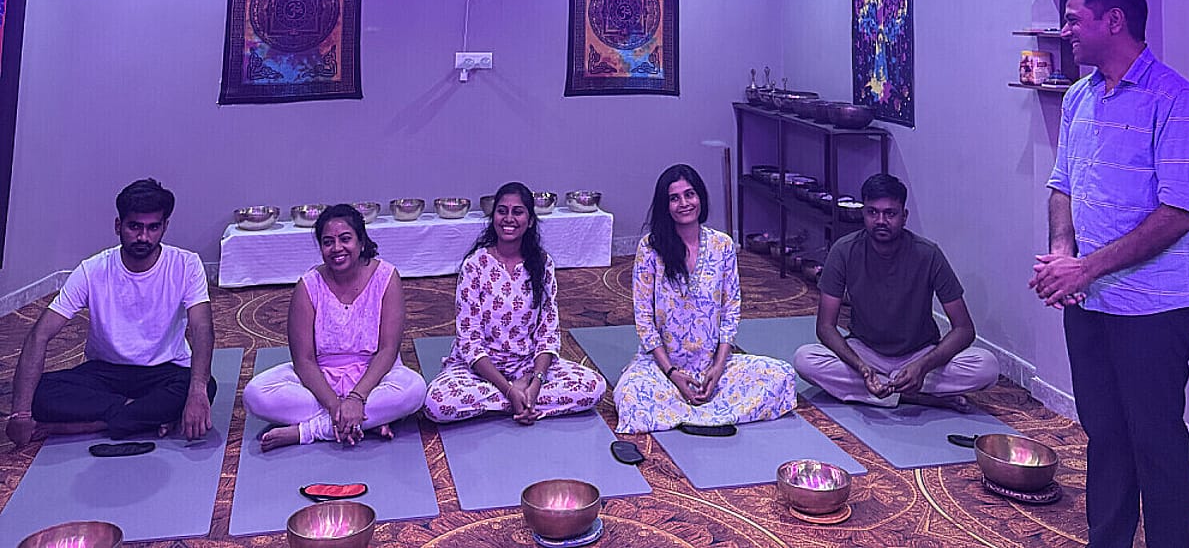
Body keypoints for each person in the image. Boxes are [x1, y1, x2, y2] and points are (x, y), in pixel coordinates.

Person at [1031, 0, 1189, 547]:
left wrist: (1086, 267)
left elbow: (1180, 212)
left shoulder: (1177, 100)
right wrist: (1061, 256)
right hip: (1089, 300)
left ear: (1115, 21)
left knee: (1155, 439)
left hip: (1154, 308)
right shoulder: (1078, 96)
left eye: (1074, 19)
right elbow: (1063, 186)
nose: (1065, 30)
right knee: (1103, 434)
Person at [6, 179, 216, 447]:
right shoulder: (92, 270)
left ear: (165, 227)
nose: (143, 237)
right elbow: (39, 336)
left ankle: (96, 422)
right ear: (119, 226)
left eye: (153, 228)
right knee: (39, 393)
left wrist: (196, 391)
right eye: (134, 227)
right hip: (105, 373)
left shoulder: (186, 264)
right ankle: (144, 417)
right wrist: (21, 414)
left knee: (205, 387)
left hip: (166, 370)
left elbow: (202, 328)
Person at [614, 164, 796, 433]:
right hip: (663, 368)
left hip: (713, 367)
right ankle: (707, 411)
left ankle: (688, 412)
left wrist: (718, 368)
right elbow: (643, 319)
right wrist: (672, 374)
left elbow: (731, 311)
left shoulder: (722, 245)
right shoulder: (650, 248)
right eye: (674, 198)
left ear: (700, 197)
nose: (684, 203)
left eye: (690, 194)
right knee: (630, 395)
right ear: (665, 206)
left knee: (782, 375)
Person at [793, 173, 998, 411]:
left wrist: (922, 366)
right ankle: (912, 395)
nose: (881, 220)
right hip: (865, 352)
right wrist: (860, 366)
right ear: (863, 213)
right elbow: (825, 327)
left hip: (919, 353)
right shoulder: (844, 251)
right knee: (805, 360)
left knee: (986, 366)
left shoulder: (928, 254)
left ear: (904, 217)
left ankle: (888, 389)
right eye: (872, 212)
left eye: (890, 213)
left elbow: (964, 329)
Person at [243, 204, 426, 450]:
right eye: (328, 242)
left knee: (414, 389)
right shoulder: (308, 285)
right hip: (320, 378)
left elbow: (387, 351)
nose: (336, 248)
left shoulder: (386, 276)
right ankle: (368, 422)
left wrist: (357, 397)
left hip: (373, 376)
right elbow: (304, 360)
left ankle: (308, 431)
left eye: (345, 239)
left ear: (361, 241)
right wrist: (336, 404)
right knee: (255, 394)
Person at [423, 182, 605, 424]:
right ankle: (519, 402)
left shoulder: (542, 264)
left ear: (530, 221)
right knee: (437, 403)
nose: (509, 218)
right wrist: (509, 389)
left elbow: (548, 334)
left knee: (593, 386)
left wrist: (536, 381)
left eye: (517, 212)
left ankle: (519, 400)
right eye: (502, 211)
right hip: (479, 369)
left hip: (527, 367)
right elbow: (469, 342)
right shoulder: (475, 265)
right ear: (493, 216)